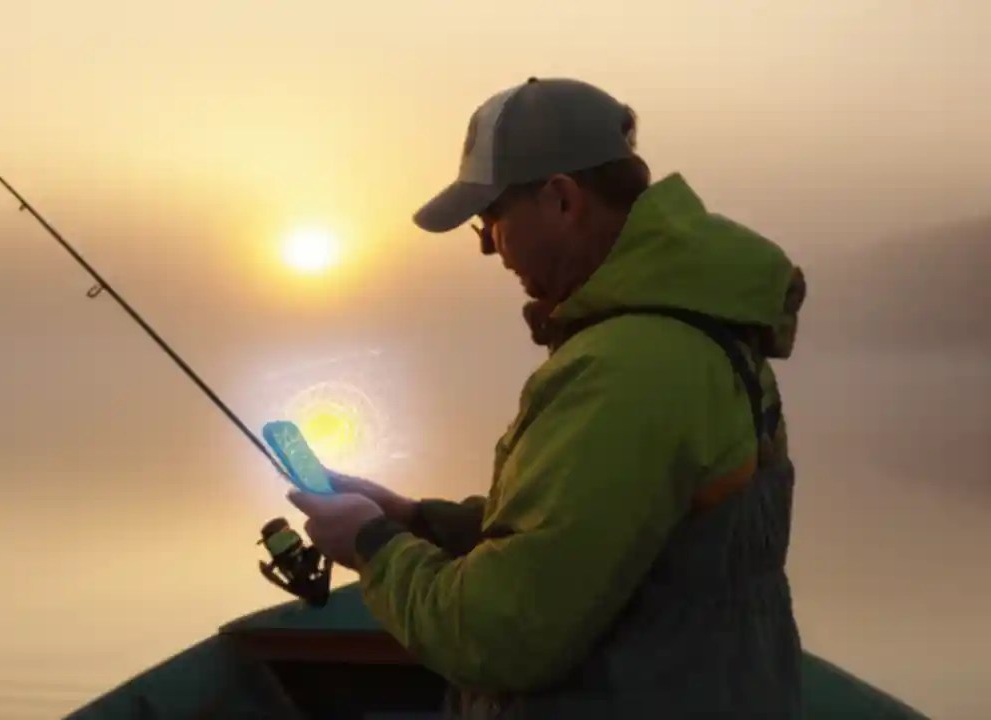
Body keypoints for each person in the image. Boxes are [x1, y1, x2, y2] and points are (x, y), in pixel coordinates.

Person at [286, 77, 807, 718]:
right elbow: (607, 527)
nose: (485, 245)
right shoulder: (690, 336)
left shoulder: (629, 370)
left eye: (490, 218)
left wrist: (371, 545)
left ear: (561, 200)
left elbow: (498, 636)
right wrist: (418, 520)